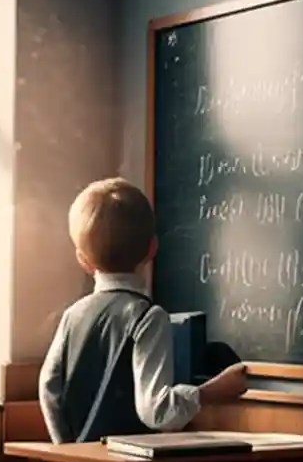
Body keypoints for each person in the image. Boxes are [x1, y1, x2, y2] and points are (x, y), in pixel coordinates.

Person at [39, 177, 248, 444]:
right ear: (153, 248)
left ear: (83, 260)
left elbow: (49, 389)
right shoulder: (147, 317)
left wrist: (66, 449)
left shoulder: (72, 315)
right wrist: (210, 392)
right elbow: (156, 411)